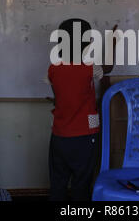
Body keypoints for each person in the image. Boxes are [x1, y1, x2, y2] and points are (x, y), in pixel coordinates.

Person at [47, 18, 117, 201]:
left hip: (59, 135)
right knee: (81, 183)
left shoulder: (53, 69)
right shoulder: (89, 69)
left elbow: (57, 97)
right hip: (84, 136)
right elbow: (108, 68)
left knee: (58, 182)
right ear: (87, 43)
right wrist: (112, 43)